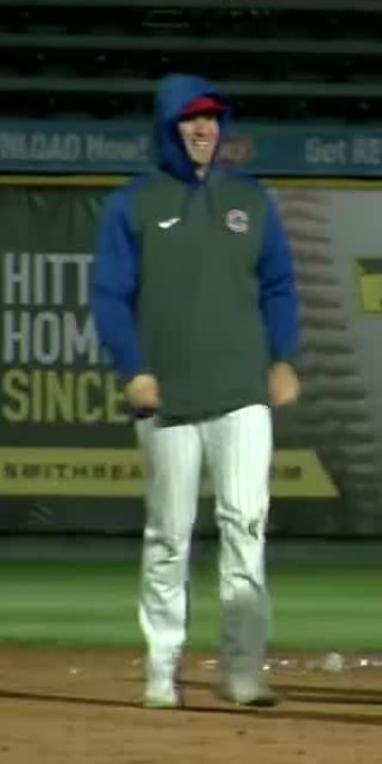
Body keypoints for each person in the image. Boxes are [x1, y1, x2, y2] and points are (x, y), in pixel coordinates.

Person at [92, 73, 302, 710]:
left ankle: (242, 670)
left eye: (212, 118)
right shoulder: (132, 202)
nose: (204, 129)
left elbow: (279, 285)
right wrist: (133, 368)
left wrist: (284, 357)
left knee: (247, 524)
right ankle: (162, 666)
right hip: (167, 393)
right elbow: (108, 296)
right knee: (169, 533)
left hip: (242, 389)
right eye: (191, 120)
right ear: (168, 126)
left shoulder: (253, 200)